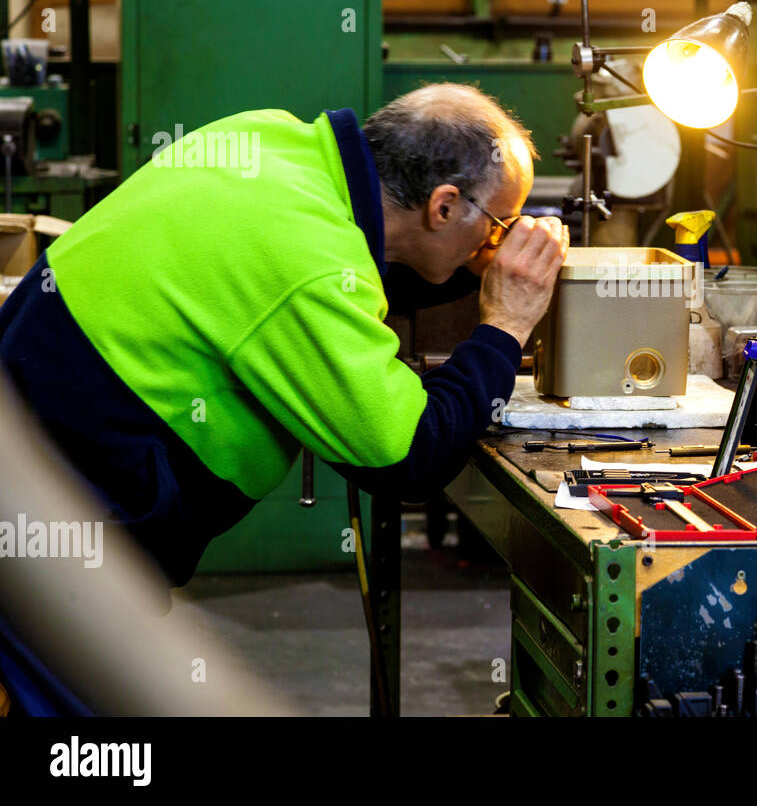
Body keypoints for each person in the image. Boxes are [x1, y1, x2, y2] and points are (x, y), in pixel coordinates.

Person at [0, 83, 567, 713]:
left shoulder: (266, 137)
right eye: (499, 225)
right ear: (443, 206)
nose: (497, 244)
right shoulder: (309, 266)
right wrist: (506, 324)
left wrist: (473, 274)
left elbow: (339, 276)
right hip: (54, 522)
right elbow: (410, 454)